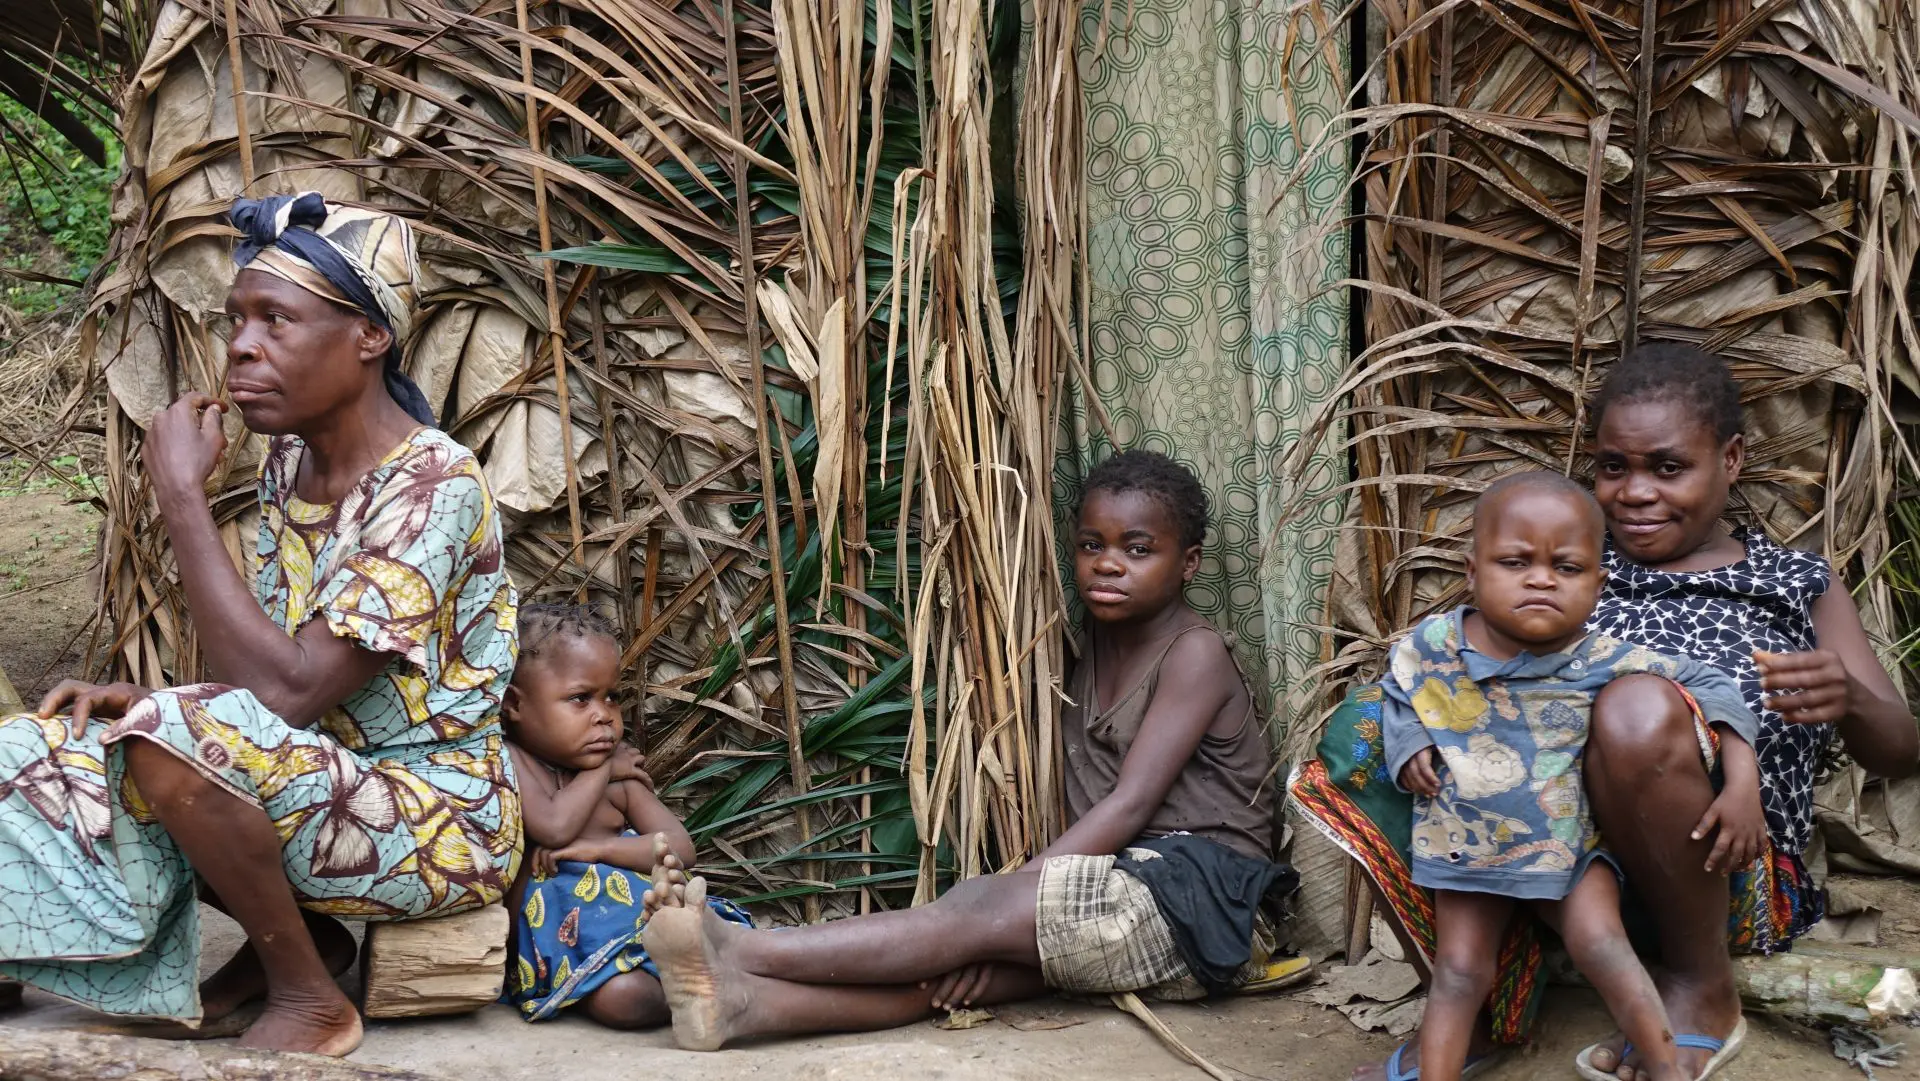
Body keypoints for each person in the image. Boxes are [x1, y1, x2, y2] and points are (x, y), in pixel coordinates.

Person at [1293, 342, 1918, 1081]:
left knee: (1635, 706)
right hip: (1536, 853)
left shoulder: (1791, 581)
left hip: (1720, 866)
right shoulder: (1566, 558)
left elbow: (1900, 751)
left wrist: (1849, 697)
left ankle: (1700, 985)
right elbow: (1449, 674)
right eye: (1614, 467)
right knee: (1372, 722)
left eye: (1668, 467)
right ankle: (1476, 996)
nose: (1636, 493)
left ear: (1732, 459)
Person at [0, 191, 521, 1056]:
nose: (241, 344)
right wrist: (148, 706)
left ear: (370, 336)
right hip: (321, 781)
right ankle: (295, 939)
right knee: (33, 748)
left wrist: (181, 499)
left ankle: (311, 998)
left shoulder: (435, 484)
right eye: (237, 320)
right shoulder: (290, 463)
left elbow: (283, 694)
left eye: (276, 320)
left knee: (170, 735)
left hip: (441, 823)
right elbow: (262, 680)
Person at [634, 449, 1292, 1051]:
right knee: (953, 977)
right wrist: (1001, 922)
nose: (1109, 563)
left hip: (1207, 904)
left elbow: (1132, 803)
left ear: (1189, 563)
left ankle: (742, 949)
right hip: (1122, 891)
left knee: (975, 911)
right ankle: (738, 1006)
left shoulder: (1195, 653)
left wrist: (1008, 899)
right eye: (1092, 545)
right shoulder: (1087, 643)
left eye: (1138, 549)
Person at [1380, 473, 1760, 1081]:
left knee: (1605, 949)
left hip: (1570, 849)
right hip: (1465, 849)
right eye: (1515, 562)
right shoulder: (1433, 645)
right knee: (1458, 972)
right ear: (1473, 572)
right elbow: (1399, 689)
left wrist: (1742, 783)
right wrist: (1409, 744)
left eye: (1567, 567)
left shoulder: (1599, 657)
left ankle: (1667, 1071)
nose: (1541, 580)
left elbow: (1715, 685)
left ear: (1597, 585)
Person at [500, 602, 750, 1027]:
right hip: (568, 953)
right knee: (625, 1000)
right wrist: (602, 770)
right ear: (514, 705)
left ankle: (718, 976)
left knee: (719, 946)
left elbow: (681, 848)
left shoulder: (621, 781)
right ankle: (709, 991)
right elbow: (554, 826)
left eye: (611, 697)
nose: (603, 715)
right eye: (580, 698)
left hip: (651, 927)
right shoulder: (511, 761)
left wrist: (600, 849)